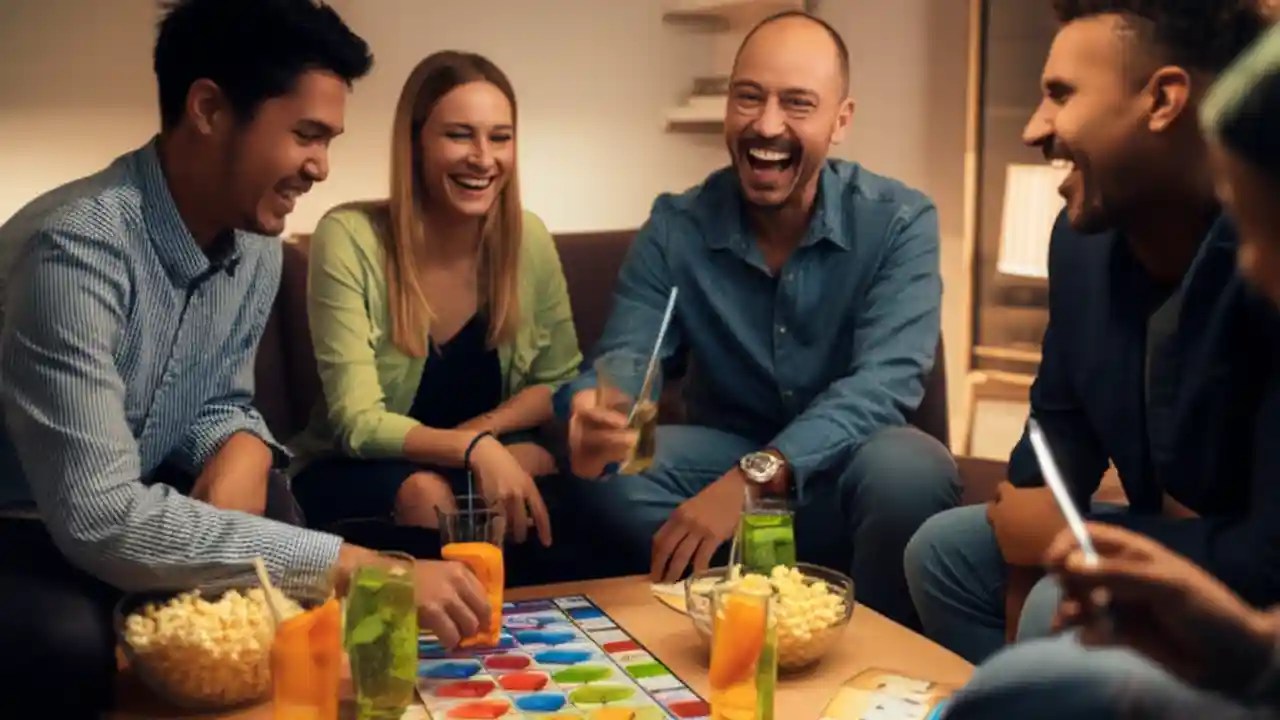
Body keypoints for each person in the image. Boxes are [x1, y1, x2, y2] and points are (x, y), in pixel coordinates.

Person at [0, 2, 484, 715]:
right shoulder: (75, 253)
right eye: (305, 135)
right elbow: (99, 513)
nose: (321, 167)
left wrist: (244, 444)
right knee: (62, 643)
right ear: (208, 110)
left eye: (328, 139)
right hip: (27, 519)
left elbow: (216, 397)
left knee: (279, 522)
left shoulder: (256, 245)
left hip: (124, 498)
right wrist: (360, 566)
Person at [558, 10, 960, 629]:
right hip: (724, 460)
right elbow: (626, 361)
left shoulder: (901, 221)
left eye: (798, 104)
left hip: (845, 470)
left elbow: (885, 387)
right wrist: (590, 417)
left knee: (912, 469)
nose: (766, 125)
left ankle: (870, 645)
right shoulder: (675, 226)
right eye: (749, 97)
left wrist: (753, 480)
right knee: (608, 478)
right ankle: (762, 611)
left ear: (841, 119)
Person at [902, 0, 1272, 665]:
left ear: (1162, 100)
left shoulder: (1265, 252)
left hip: (1256, 571)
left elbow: (1269, 553)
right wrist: (1030, 538)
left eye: (1060, 95)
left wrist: (1071, 545)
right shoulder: (1081, 247)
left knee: (1060, 600)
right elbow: (1057, 430)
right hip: (1174, 535)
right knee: (943, 553)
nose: (1035, 128)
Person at [287, 51, 581, 549]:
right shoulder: (348, 237)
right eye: (459, 135)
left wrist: (481, 440)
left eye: (500, 138)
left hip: (474, 461)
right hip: (361, 469)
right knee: (428, 496)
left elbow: (557, 381)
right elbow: (356, 424)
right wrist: (473, 449)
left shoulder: (527, 238)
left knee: (541, 464)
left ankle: (529, 622)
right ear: (416, 143)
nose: (483, 158)